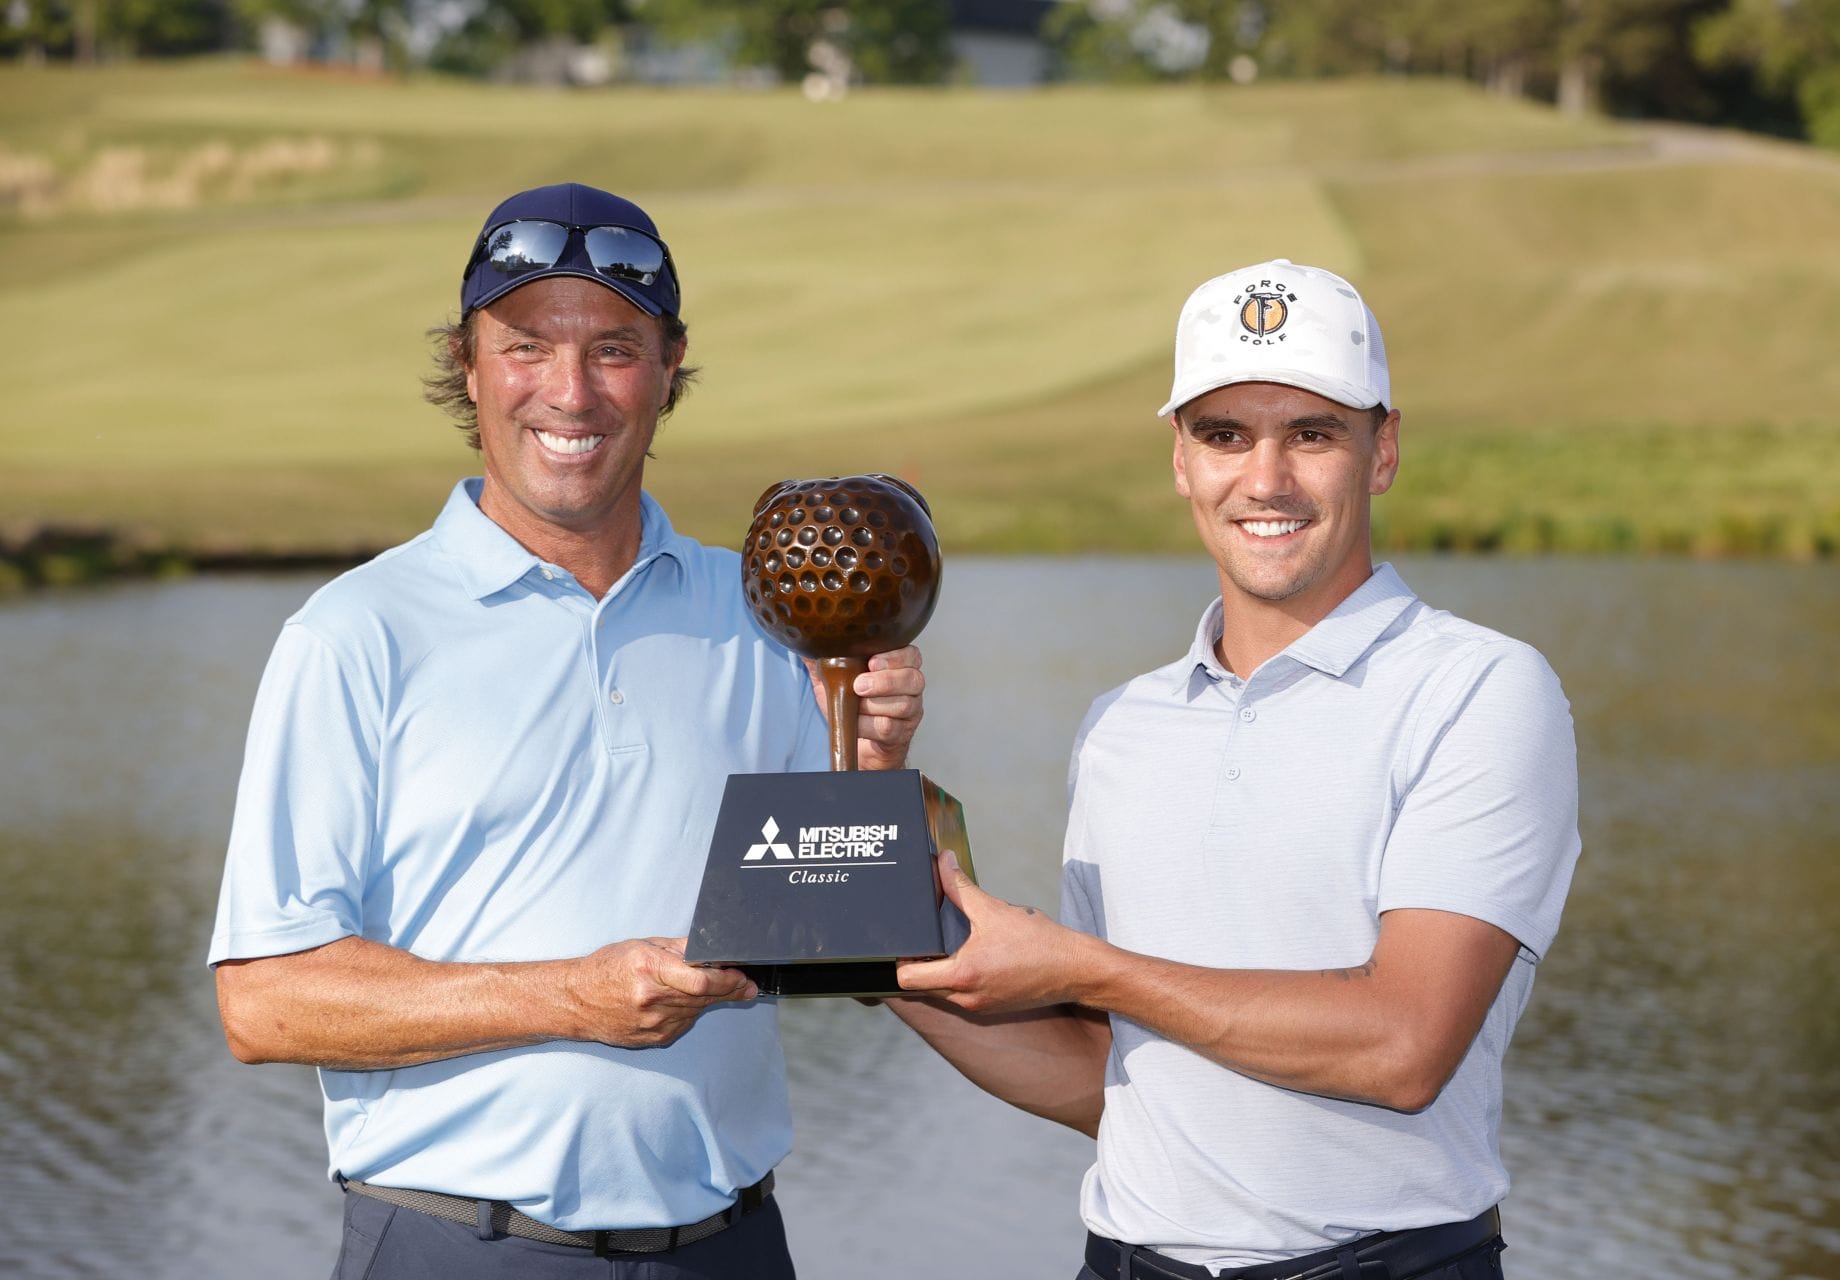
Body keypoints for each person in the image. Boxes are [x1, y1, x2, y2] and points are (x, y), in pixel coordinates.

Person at [208, 182, 926, 1279]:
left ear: (671, 364)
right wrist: (566, 996)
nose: (570, 391)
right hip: (456, 1244)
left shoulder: (766, 613)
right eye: (528, 345)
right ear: (469, 364)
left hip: (729, 1244)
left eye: (615, 349)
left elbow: (846, 948)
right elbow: (263, 999)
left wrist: (873, 768)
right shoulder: (355, 632)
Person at [892, 260, 1580, 1280]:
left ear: (1382, 450)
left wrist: (1081, 968)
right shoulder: (1121, 723)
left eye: (1312, 433)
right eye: (1225, 436)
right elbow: (1112, 1075)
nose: (1266, 480)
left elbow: (1404, 1043)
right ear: (1180, 459)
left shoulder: (1481, 689)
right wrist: (879, 940)